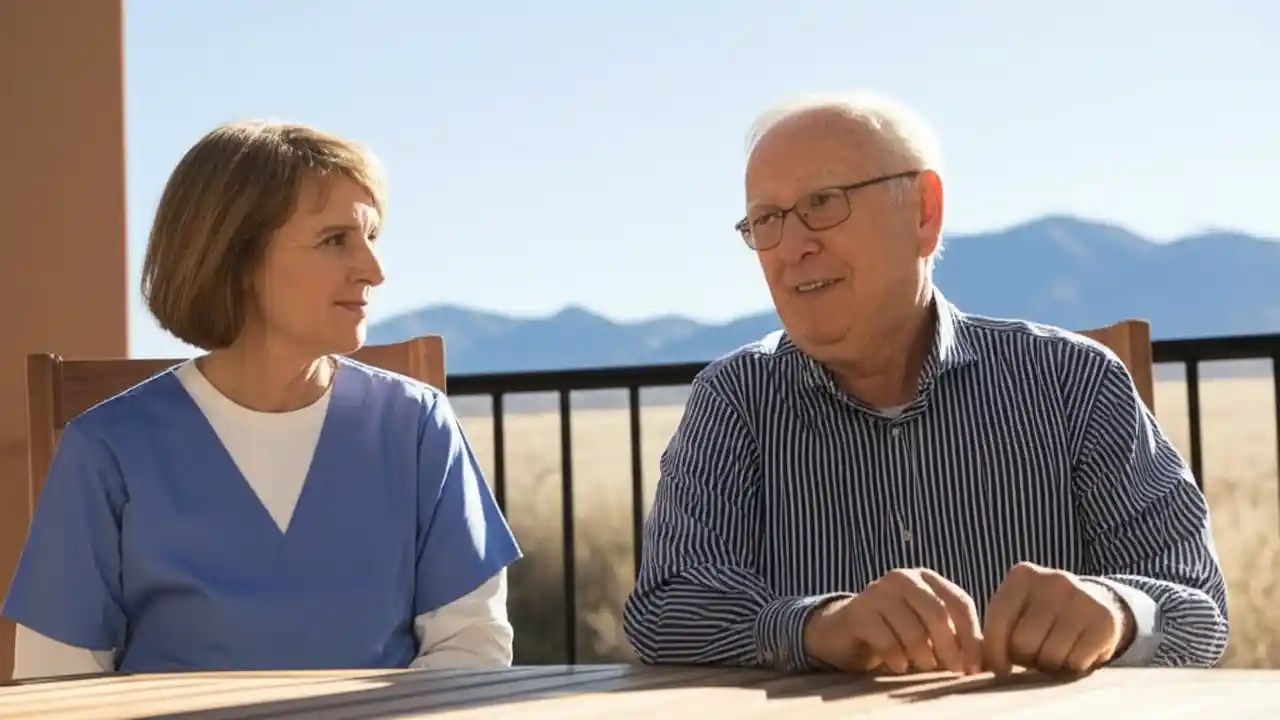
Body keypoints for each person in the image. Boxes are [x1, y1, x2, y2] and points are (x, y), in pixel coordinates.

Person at [622, 92, 1228, 676]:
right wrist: (820, 627)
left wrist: (1118, 613)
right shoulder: (735, 399)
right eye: (766, 220)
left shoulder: (1075, 381)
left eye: (823, 203)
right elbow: (665, 611)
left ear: (924, 212)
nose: (793, 247)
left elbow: (1198, 607)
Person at [2, 121, 521, 677]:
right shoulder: (107, 450)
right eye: (335, 240)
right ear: (236, 257)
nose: (374, 270)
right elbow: (58, 680)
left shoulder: (417, 427)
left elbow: (471, 646)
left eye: (371, 237)